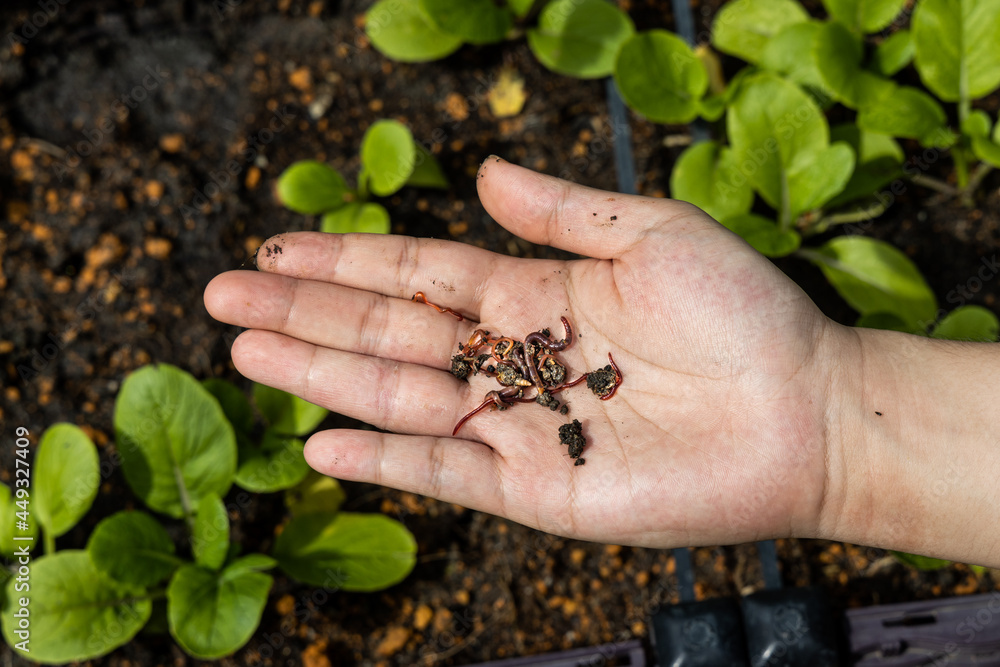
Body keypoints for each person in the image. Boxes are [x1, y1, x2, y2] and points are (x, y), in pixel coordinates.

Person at [204, 157, 1000, 568]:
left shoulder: (547, 376)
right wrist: (835, 416)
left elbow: (560, 375)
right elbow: (553, 375)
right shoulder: (538, 375)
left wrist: (830, 416)